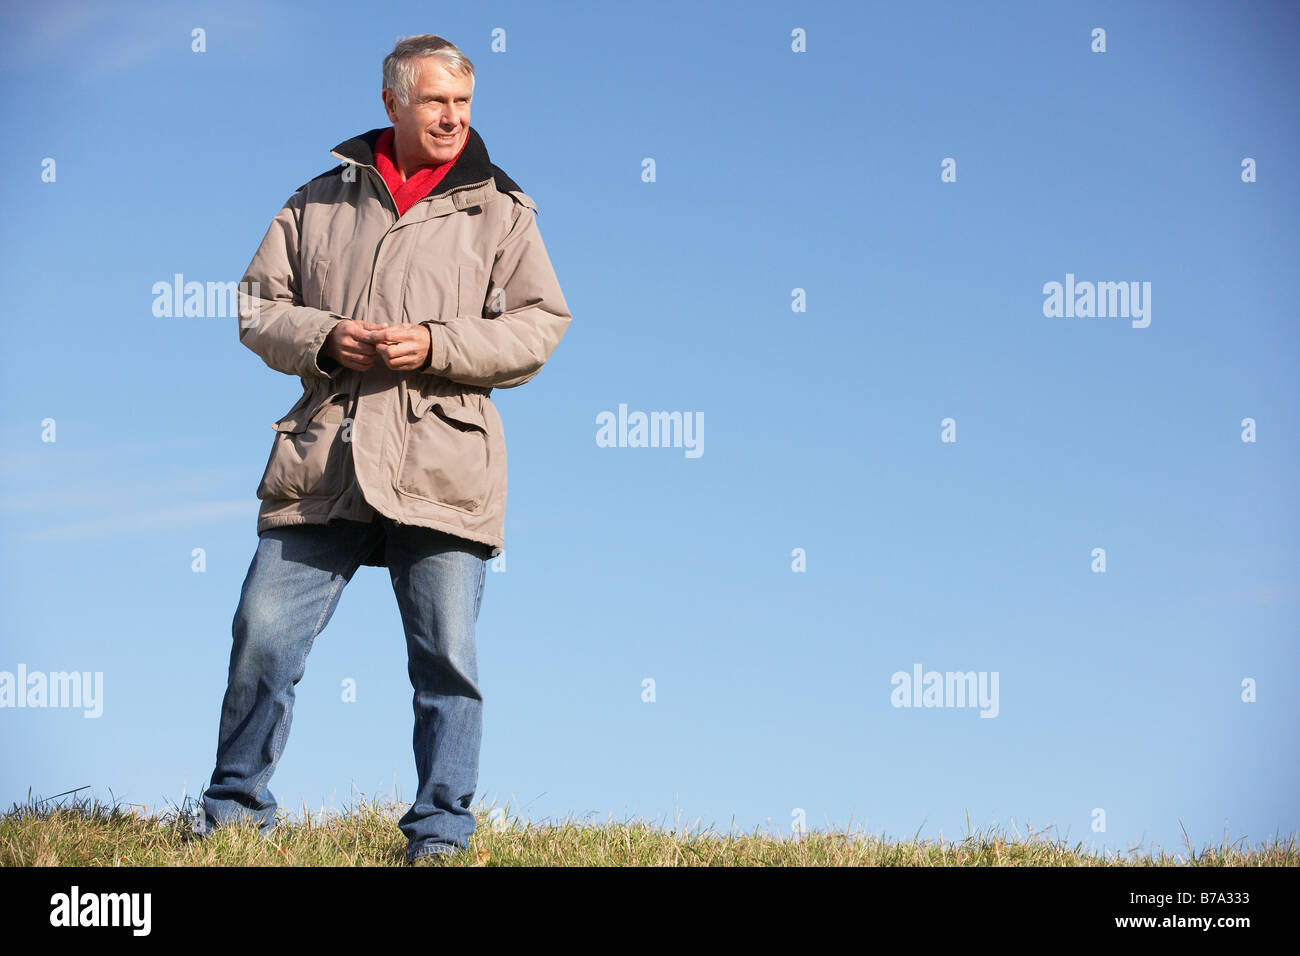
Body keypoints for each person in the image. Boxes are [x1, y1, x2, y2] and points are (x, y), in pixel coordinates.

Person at [194, 34, 572, 864]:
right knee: (262, 632)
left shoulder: (502, 208)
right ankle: (232, 812)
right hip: (323, 459)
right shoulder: (319, 198)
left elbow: (541, 327)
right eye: (435, 101)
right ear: (392, 103)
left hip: (443, 466)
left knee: (449, 661)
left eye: (464, 103)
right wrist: (329, 337)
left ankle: (440, 834)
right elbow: (257, 306)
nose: (452, 116)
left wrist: (434, 344)